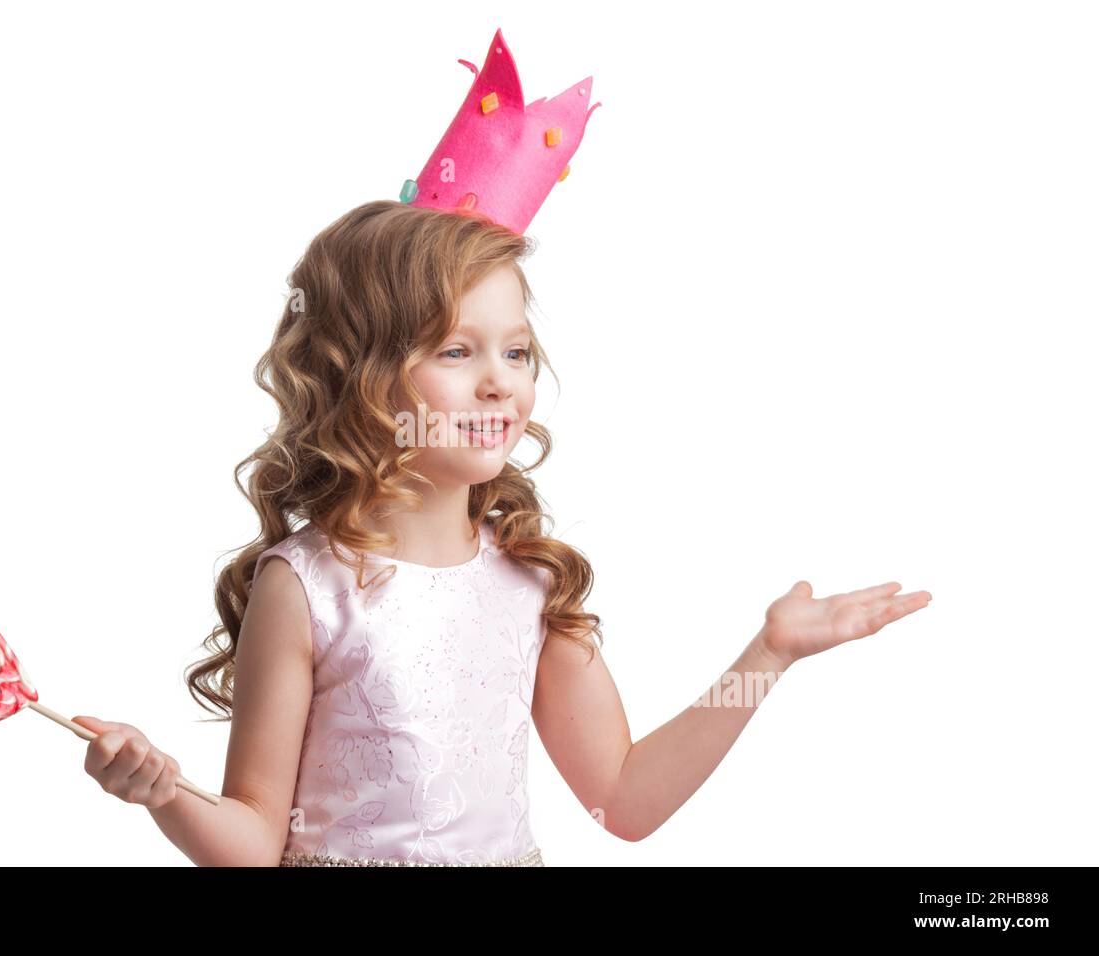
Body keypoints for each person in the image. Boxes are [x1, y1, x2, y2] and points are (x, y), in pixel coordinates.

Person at [69, 31, 932, 867]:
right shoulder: (306, 590)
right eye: (455, 351)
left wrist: (768, 654)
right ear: (360, 378)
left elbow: (624, 800)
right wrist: (164, 792)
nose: (500, 384)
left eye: (515, 351)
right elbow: (254, 844)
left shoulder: (530, 578)